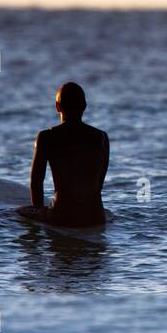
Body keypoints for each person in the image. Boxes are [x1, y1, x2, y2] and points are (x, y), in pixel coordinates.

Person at [18, 82, 109, 227]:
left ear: (57, 107)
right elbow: (98, 184)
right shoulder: (102, 137)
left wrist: (39, 212)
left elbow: (36, 182)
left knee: (15, 214)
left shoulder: (46, 137)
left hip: (62, 216)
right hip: (96, 217)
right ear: (84, 106)